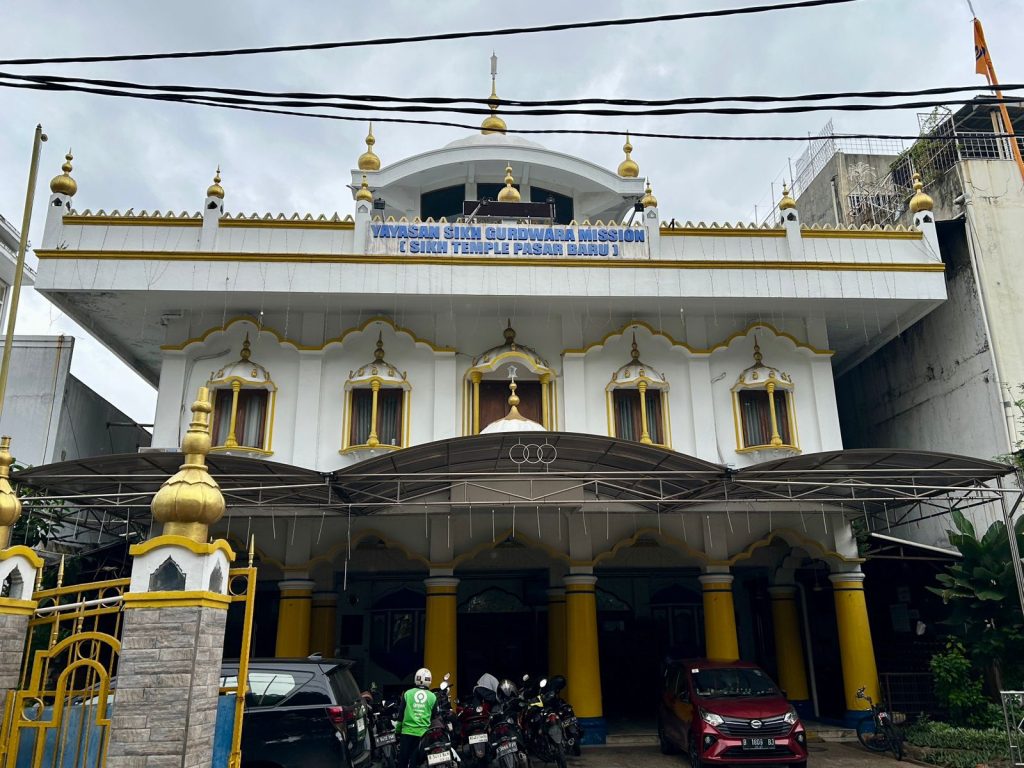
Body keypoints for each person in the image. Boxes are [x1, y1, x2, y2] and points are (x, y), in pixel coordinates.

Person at [395, 667, 438, 768]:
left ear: (416, 679)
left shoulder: (407, 694)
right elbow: (434, 716)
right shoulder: (433, 697)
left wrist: (397, 731)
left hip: (406, 733)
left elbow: (401, 715)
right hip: (423, 735)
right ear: (429, 680)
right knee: (417, 761)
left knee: (403, 761)